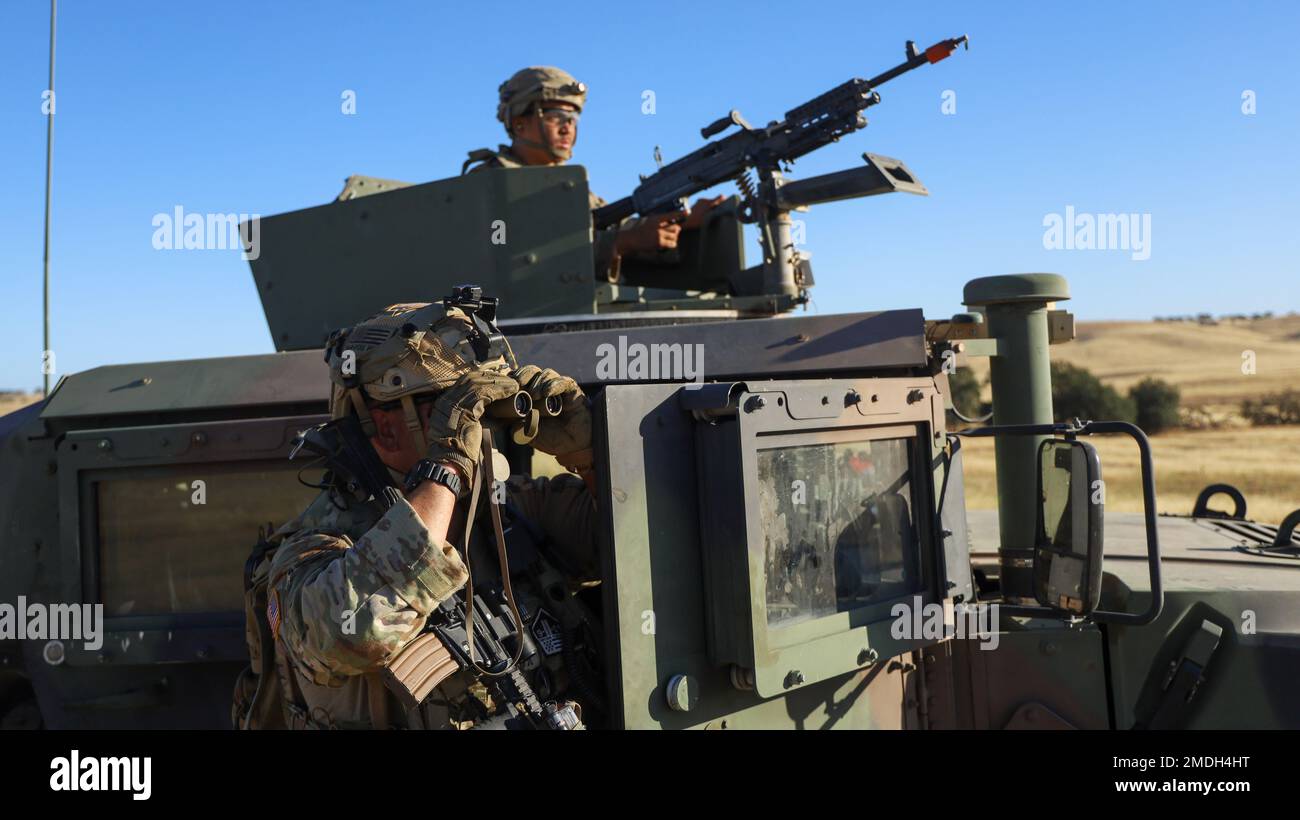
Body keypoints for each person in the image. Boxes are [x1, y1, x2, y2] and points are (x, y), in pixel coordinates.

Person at [237, 292, 603, 729]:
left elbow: (634, 542)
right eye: (446, 406)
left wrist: (593, 455)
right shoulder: (312, 550)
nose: (476, 421)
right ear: (385, 427)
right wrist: (447, 462)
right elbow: (355, 631)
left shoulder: (507, 508)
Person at [463, 66, 724, 282]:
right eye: (555, 116)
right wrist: (621, 243)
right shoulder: (490, 182)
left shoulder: (568, 186)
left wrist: (680, 221)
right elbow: (515, 254)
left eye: (573, 118)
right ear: (519, 121)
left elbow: (608, 224)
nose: (568, 128)